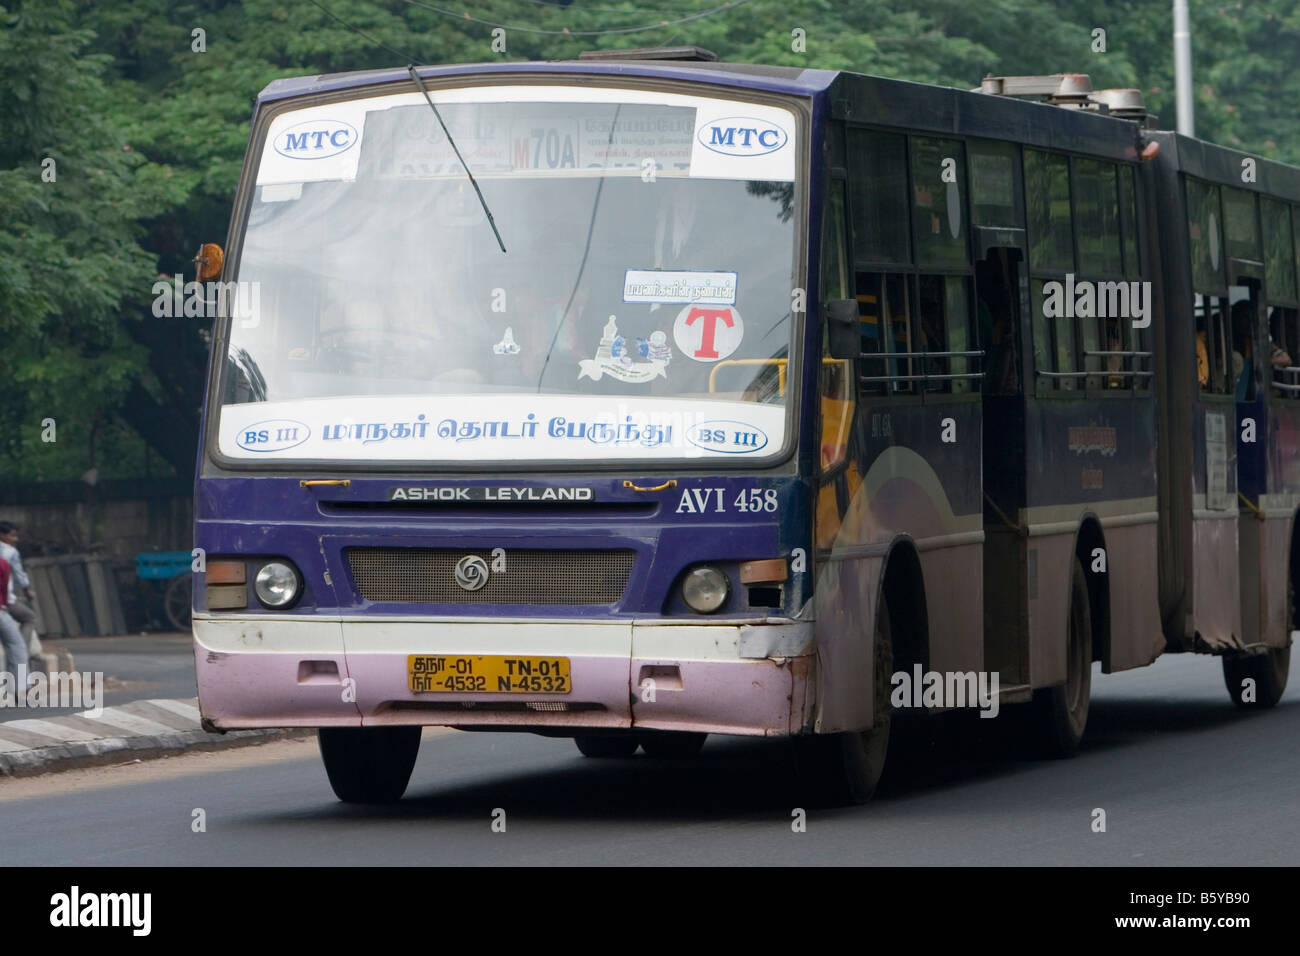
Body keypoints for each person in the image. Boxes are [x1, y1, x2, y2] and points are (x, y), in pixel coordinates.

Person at [0, 521, 41, 672]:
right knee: (29, 618)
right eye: (12, 536)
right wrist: (28, 590)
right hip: (4, 603)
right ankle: (22, 648)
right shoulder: (10, 553)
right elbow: (18, 576)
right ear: (2, 535)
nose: (15, 539)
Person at [0, 553, 29, 705]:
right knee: (16, 646)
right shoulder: (3, 563)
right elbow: (5, 590)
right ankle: (19, 688)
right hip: (1, 612)